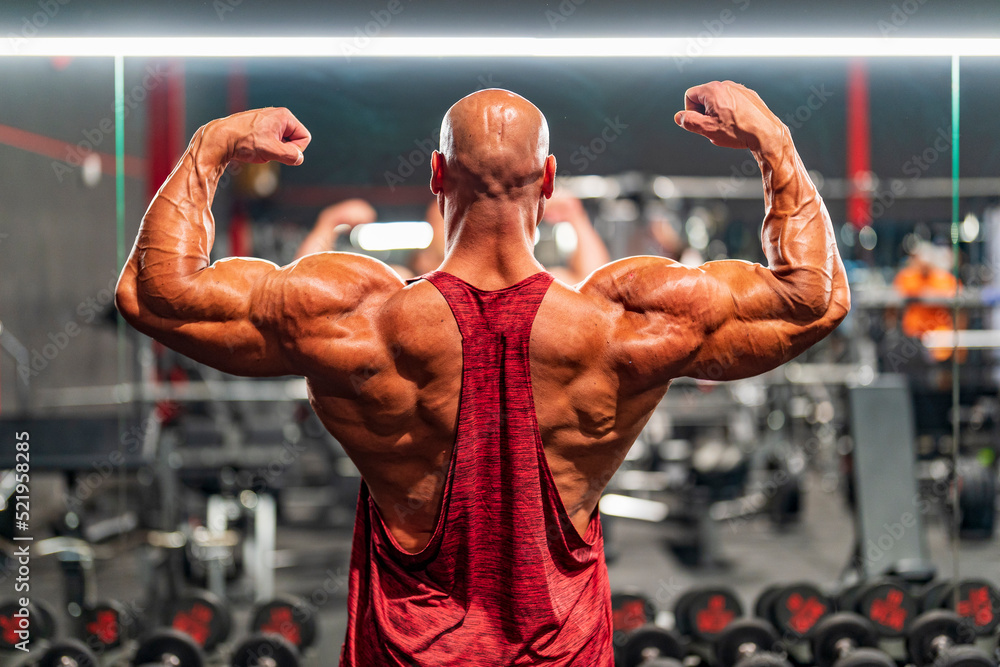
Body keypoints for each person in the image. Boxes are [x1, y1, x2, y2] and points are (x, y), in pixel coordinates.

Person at [116, 82, 850, 665]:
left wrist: (209, 148)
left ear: (436, 176)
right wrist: (774, 144)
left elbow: (153, 294)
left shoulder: (359, 319)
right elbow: (814, 298)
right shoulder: (619, 323)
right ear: (549, 180)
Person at [294, 191, 610, 284]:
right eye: (449, 211)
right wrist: (328, 224)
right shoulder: (404, 283)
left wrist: (576, 217)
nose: (461, 220)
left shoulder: (522, 287)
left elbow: (592, 283)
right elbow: (306, 291)